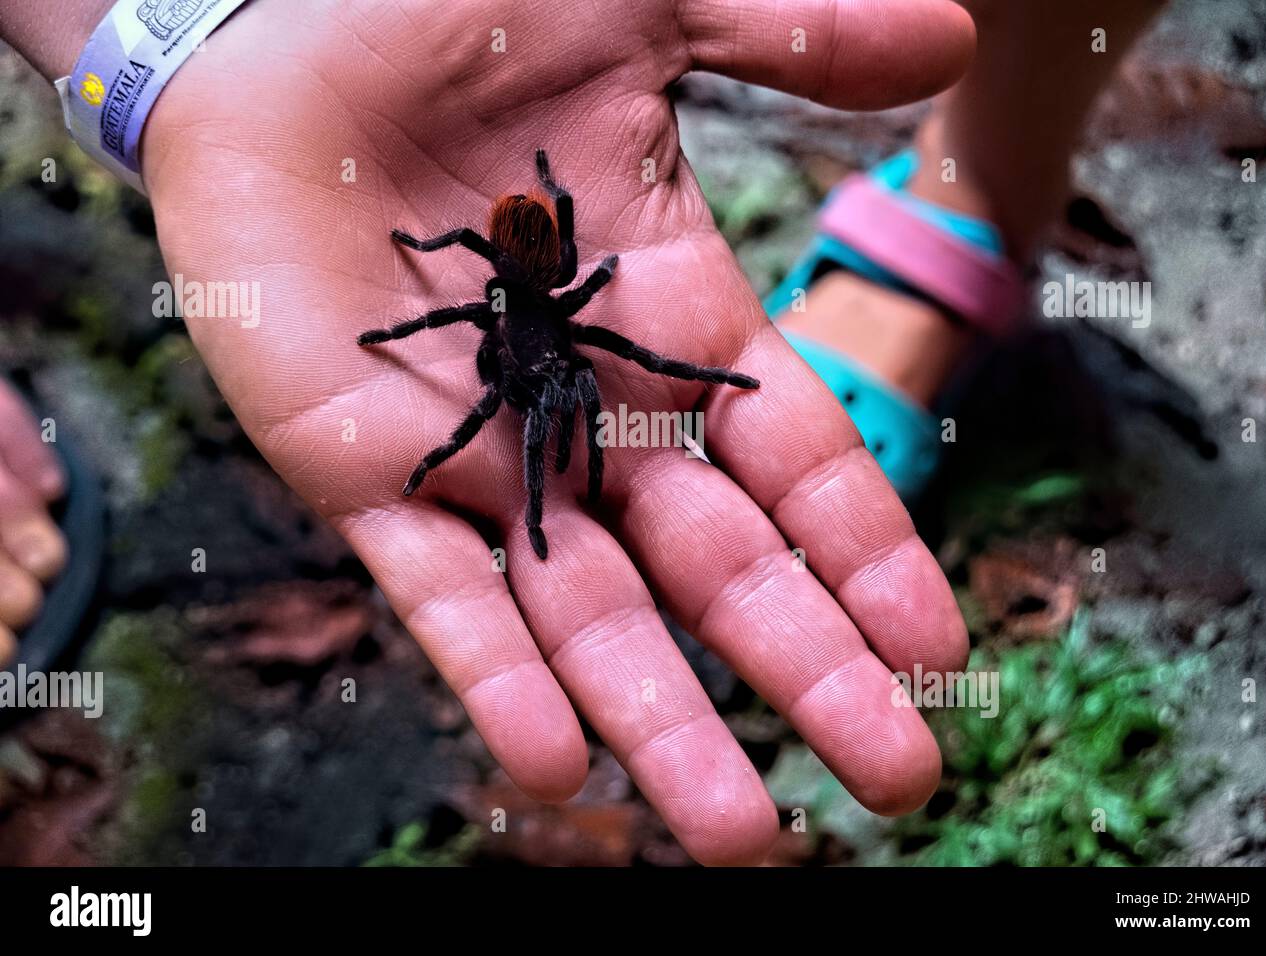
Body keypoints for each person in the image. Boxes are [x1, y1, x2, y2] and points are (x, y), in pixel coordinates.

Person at [0, 0, 1163, 865]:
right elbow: (466, 290)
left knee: (587, 391)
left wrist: (686, 381)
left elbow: (570, 350)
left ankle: (971, 214)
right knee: (532, 388)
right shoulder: (493, 298)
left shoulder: (538, 313)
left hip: (538, 298)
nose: (519, 385)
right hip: (522, 293)